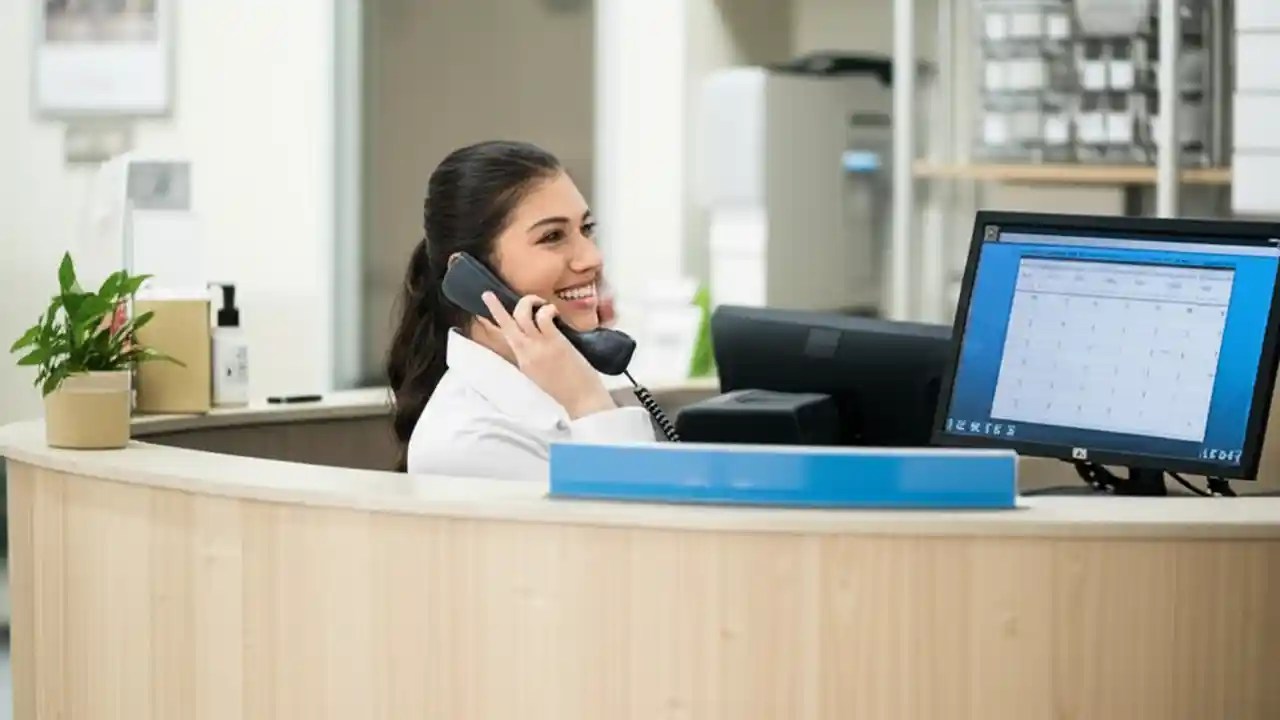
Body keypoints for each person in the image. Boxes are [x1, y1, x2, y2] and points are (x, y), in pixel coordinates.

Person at [386, 140, 658, 479]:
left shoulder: (558, 384)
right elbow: (638, 522)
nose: (592, 258)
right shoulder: (470, 443)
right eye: (553, 236)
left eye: (586, 229)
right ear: (471, 276)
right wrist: (587, 401)